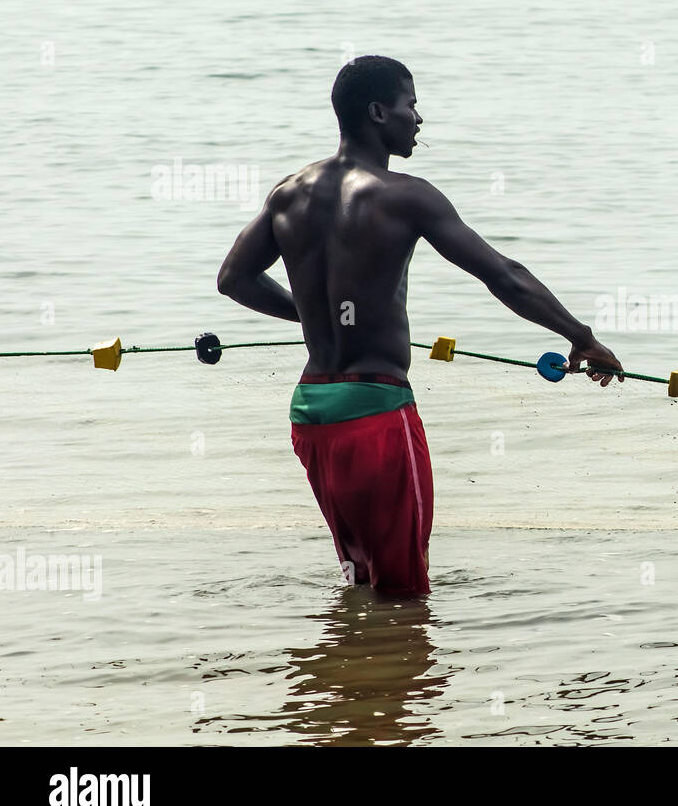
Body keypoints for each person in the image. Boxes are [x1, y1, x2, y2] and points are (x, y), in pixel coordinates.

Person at [216, 55, 624, 596]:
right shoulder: (405, 196)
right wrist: (582, 337)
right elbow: (503, 275)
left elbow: (234, 279)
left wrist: (313, 315)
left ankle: (352, 674)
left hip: (311, 413)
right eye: (411, 105)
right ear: (379, 112)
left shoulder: (289, 193)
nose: (419, 119)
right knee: (406, 592)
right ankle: (398, 677)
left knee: (359, 579)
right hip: (376, 414)